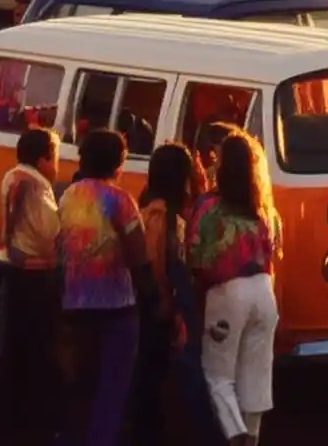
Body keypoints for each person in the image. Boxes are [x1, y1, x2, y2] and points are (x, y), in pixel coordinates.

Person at [56, 128, 155, 446]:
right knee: (112, 388)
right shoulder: (120, 200)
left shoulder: (69, 195)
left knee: (80, 385)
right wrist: (153, 298)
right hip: (116, 306)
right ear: (119, 162)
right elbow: (138, 256)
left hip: (74, 302)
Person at [187, 132, 282, 446]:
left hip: (228, 294)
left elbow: (196, 255)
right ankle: (252, 438)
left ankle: (235, 434)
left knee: (218, 374)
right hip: (264, 293)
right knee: (256, 376)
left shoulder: (209, 206)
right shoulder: (264, 209)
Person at [0, 127, 62, 440]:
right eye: (55, 157)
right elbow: (50, 232)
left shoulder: (11, 176)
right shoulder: (36, 185)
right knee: (38, 342)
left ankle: (9, 404)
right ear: (43, 158)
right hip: (35, 272)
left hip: (10, 265)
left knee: (12, 337)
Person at [132, 143, 202, 446]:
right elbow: (162, 267)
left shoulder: (147, 207)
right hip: (162, 308)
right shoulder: (164, 216)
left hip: (149, 306)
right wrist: (171, 309)